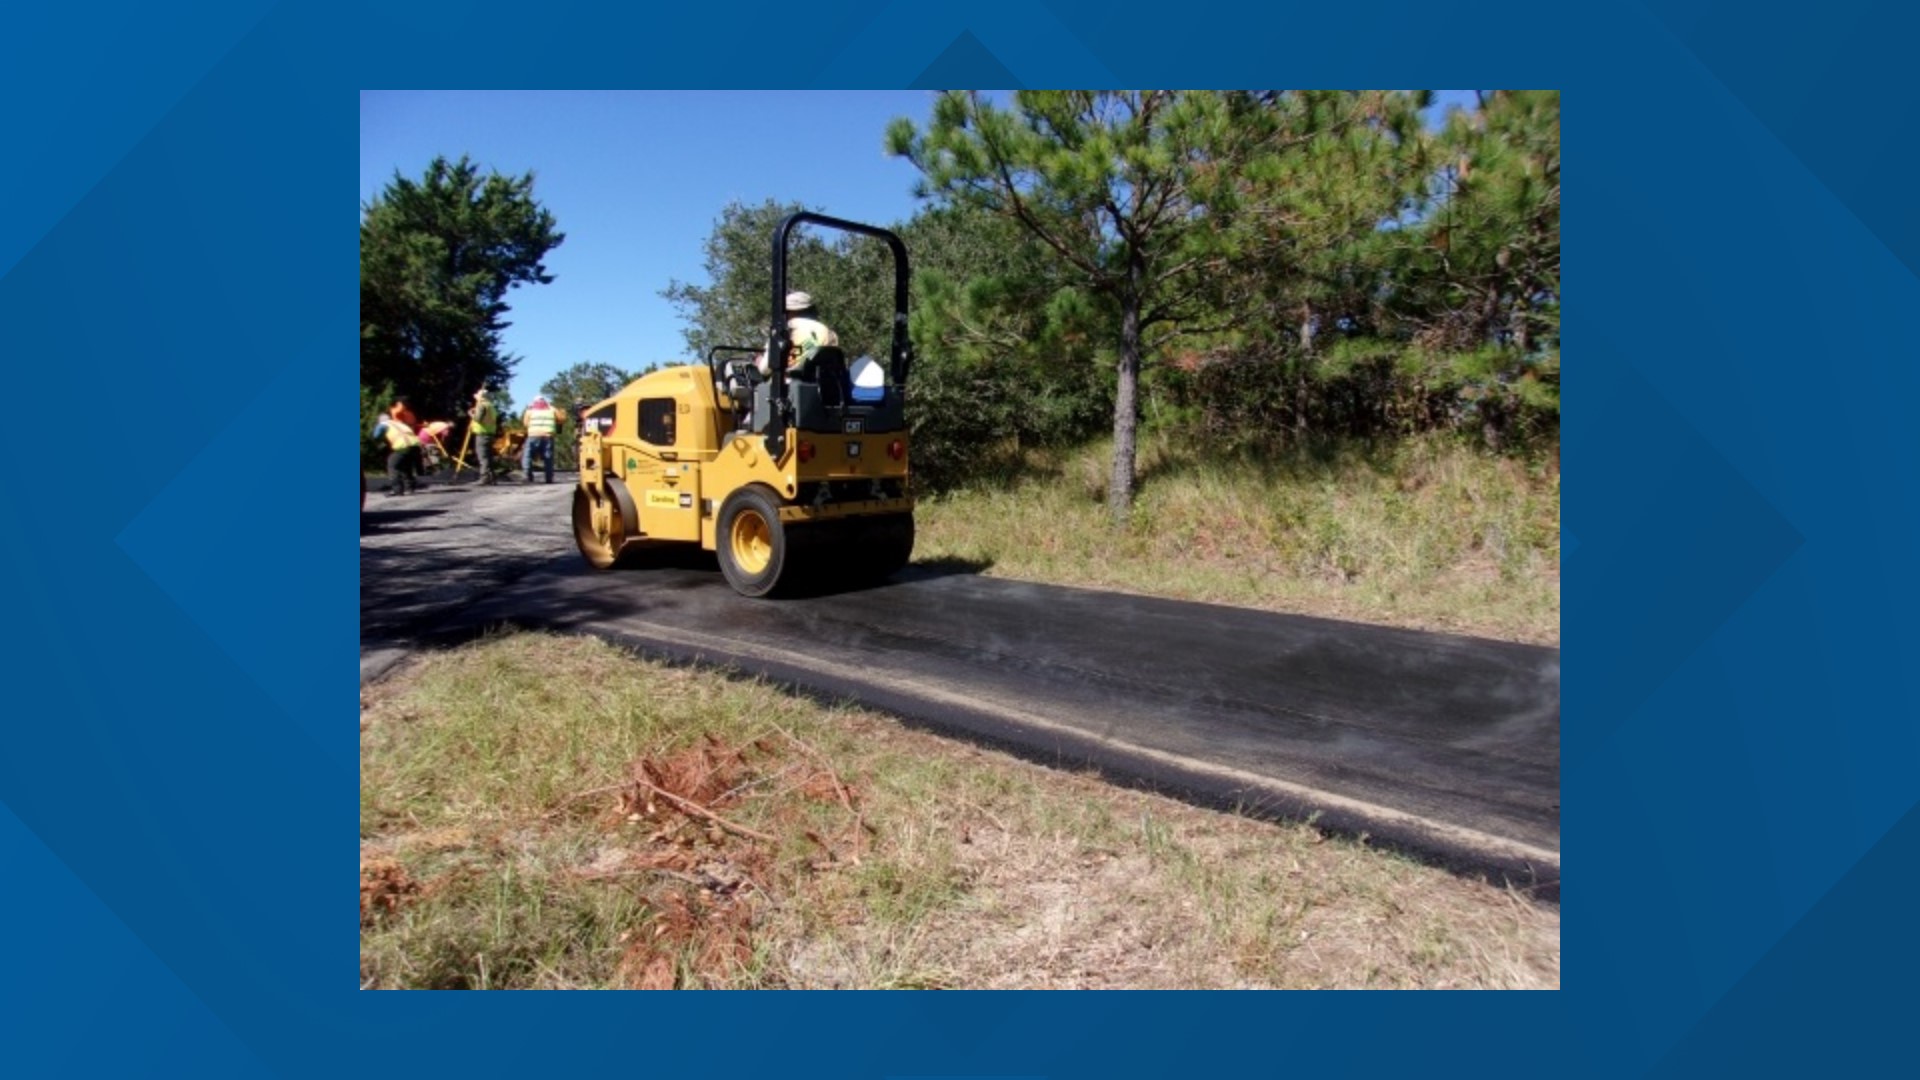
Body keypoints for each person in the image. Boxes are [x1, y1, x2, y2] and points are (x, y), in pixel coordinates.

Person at [755, 291, 839, 377]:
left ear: (791, 311)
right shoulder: (827, 331)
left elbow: (764, 369)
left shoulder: (783, 330)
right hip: (819, 383)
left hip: (789, 383)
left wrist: (759, 361)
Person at [370, 411, 422, 496]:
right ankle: (410, 488)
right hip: (415, 446)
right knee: (406, 467)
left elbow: (376, 436)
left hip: (402, 446)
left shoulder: (383, 424)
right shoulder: (400, 423)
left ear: (379, 420)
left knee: (393, 466)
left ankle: (397, 490)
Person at [522, 394, 560, 483]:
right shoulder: (552, 409)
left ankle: (527, 476)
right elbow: (561, 418)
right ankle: (549, 478)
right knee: (548, 457)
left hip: (533, 435)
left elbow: (525, 424)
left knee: (527, 455)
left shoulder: (530, 410)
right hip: (548, 436)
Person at [468, 388, 498, 484]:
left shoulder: (481, 405)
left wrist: (471, 414)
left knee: (483, 457)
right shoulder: (491, 406)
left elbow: (478, 419)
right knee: (489, 457)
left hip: (482, 434)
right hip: (490, 433)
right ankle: (492, 477)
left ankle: (484, 478)